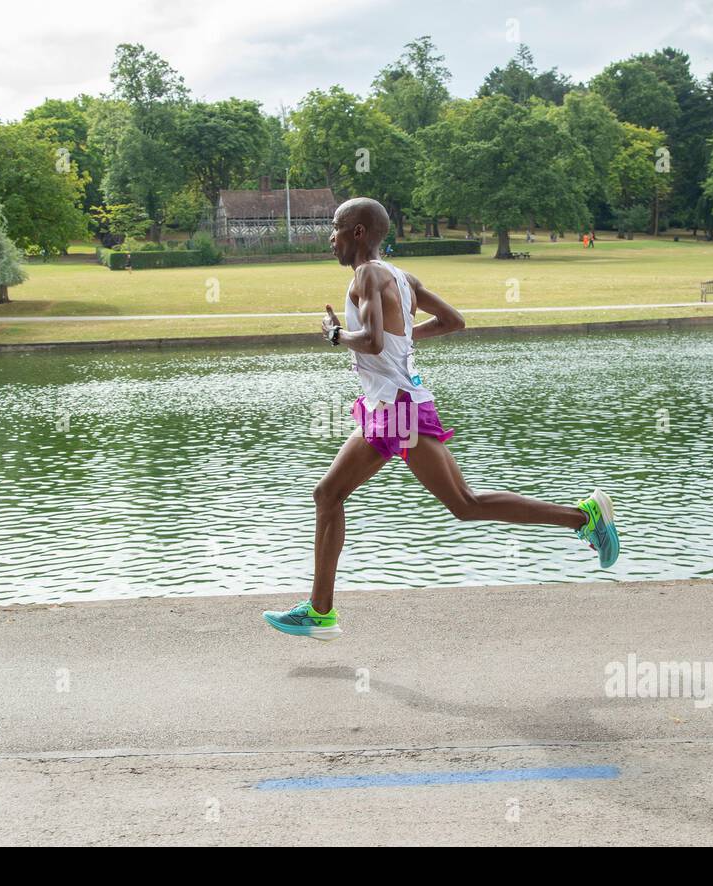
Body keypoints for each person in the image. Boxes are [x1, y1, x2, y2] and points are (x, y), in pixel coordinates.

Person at [262, 197, 620, 640]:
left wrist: (337, 335)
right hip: (389, 408)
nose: (330, 237)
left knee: (459, 505)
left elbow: (372, 342)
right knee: (333, 494)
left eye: (335, 228)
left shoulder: (368, 274)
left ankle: (583, 518)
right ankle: (319, 611)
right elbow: (452, 321)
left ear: (358, 232)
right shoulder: (401, 276)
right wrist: (405, 337)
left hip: (398, 411)